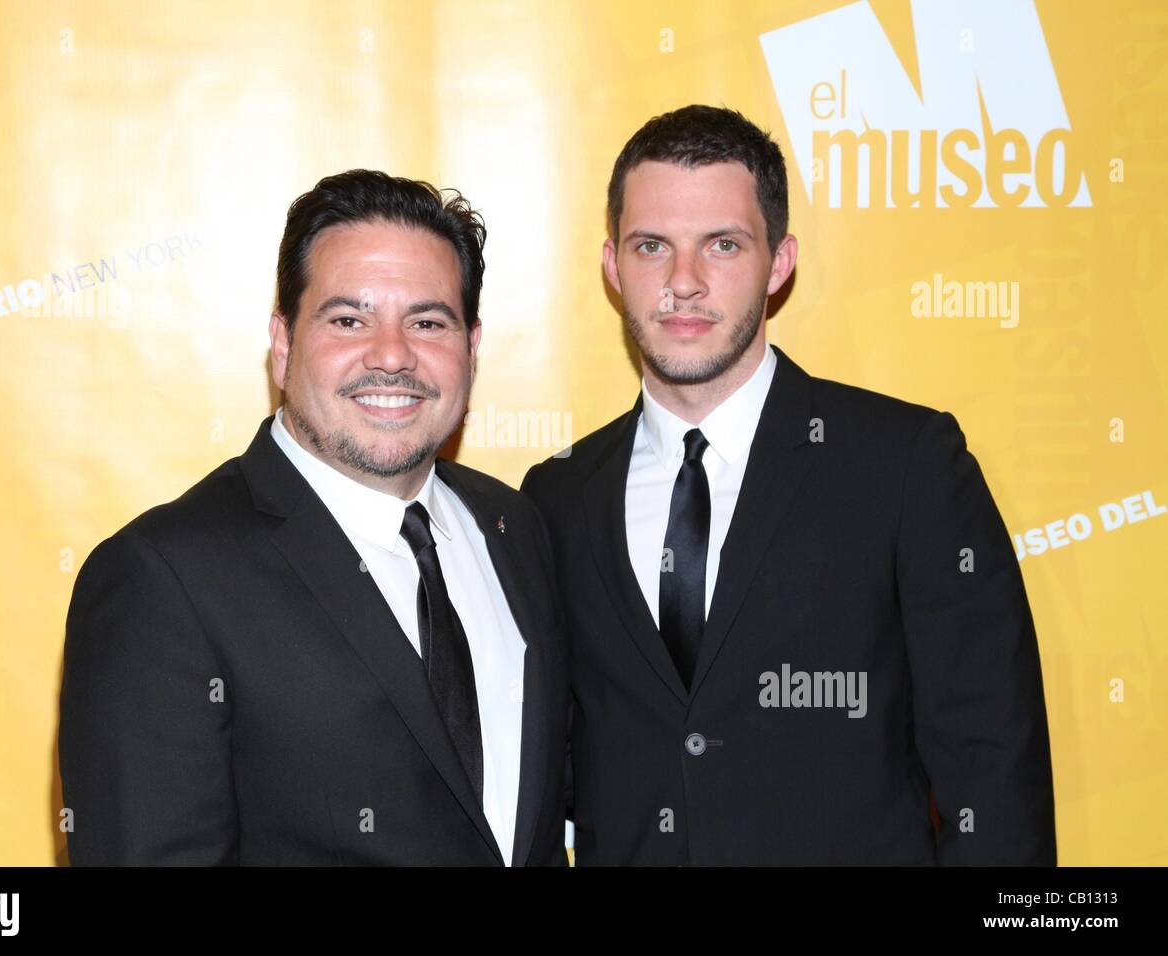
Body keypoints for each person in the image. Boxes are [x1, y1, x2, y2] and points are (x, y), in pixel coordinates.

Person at [522, 105, 1055, 865]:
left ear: (779, 263)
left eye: (723, 245)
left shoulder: (904, 465)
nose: (684, 282)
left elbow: (992, 762)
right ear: (613, 266)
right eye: (652, 246)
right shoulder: (556, 496)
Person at [60, 169, 568, 866]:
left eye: (427, 321)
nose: (392, 355)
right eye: (348, 319)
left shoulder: (514, 529)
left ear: (471, 348)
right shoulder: (163, 580)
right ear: (282, 341)